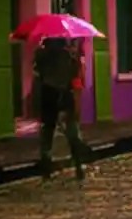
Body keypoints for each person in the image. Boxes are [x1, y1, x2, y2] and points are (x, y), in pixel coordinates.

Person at [34, 37, 90, 181]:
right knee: (72, 133)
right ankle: (78, 166)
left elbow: (38, 76)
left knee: (47, 132)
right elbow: (76, 78)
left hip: (48, 97)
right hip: (65, 96)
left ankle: (46, 169)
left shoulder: (41, 55)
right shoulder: (69, 57)